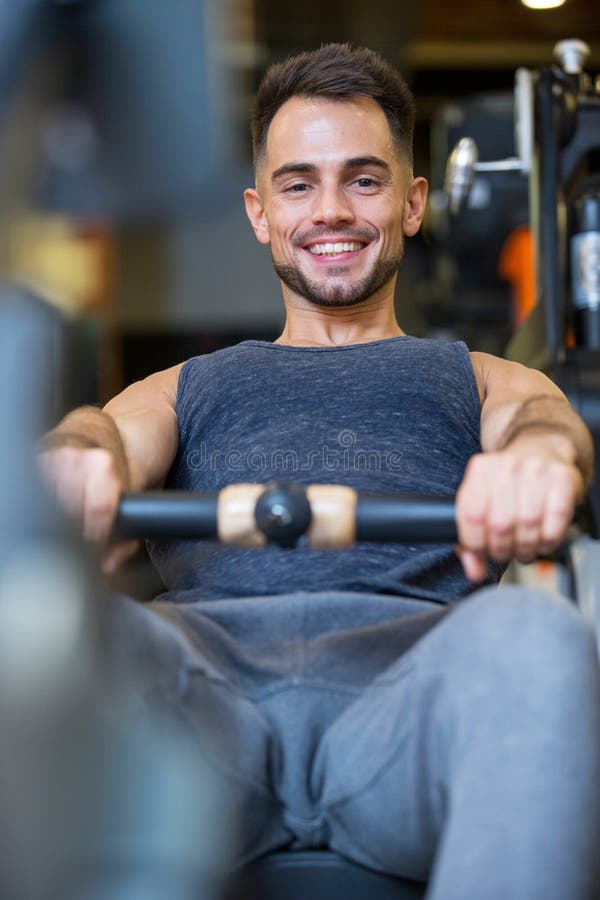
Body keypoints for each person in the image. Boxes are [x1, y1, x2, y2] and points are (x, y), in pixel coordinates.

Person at [39, 43, 600, 900]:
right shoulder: (183, 386)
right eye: (298, 185)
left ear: (413, 202)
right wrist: (77, 461)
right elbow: (106, 434)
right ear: (260, 212)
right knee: (57, 635)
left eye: (363, 180)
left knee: (539, 634)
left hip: (410, 711)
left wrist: (538, 461)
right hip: (207, 718)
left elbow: (541, 425)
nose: (331, 210)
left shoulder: (485, 378)